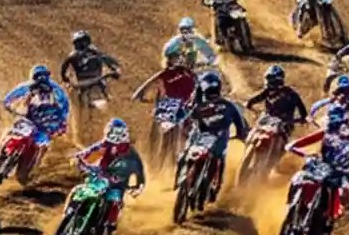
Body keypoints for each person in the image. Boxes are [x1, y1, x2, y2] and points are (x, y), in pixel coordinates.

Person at [181, 72, 248, 202]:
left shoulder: (227, 106)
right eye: (209, 91)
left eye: (213, 91)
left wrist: (240, 134)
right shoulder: (200, 103)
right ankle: (184, 177)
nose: (211, 95)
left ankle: (213, 186)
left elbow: (240, 124)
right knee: (187, 154)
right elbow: (187, 117)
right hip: (202, 136)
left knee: (218, 157)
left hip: (216, 138)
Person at [73, 119, 146, 235]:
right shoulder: (104, 145)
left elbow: (139, 169)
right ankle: (70, 213)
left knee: (115, 198)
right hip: (101, 175)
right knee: (78, 191)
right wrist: (80, 157)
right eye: (111, 132)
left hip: (118, 182)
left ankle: (110, 222)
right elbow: (91, 152)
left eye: (117, 134)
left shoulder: (130, 152)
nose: (114, 137)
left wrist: (139, 184)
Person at [2, 64, 71, 156]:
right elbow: (65, 106)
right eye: (39, 76)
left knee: (42, 147)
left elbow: (9, 98)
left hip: (42, 127)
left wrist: (8, 106)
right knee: (14, 133)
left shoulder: (52, 89)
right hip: (40, 125)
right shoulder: (55, 88)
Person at [244, 65, 308, 137]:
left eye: (271, 79)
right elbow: (250, 102)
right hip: (268, 121)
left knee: (276, 135)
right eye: (269, 78)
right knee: (253, 132)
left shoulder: (291, 94)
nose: (270, 81)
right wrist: (255, 112)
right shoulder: (267, 92)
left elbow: (304, 114)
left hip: (284, 125)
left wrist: (294, 121)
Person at [59, 30, 121, 95]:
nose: (82, 44)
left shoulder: (89, 52)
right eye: (81, 43)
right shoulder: (92, 52)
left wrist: (65, 78)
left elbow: (63, 69)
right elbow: (106, 59)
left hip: (89, 82)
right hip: (90, 82)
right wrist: (114, 69)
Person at [130, 53, 197, 112]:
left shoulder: (183, 73)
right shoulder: (175, 72)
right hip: (175, 101)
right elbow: (156, 80)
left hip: (178, 102)